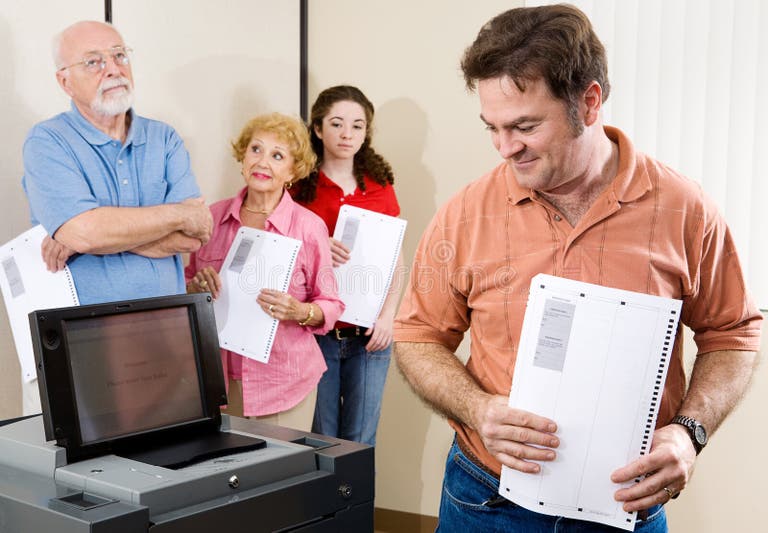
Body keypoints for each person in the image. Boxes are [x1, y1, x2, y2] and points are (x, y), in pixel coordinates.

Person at [393, 5, 762, 532]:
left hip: (627, 507)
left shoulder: (686, 209)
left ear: (588, 103)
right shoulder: (464, 213)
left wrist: (689, 433)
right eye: (492, 128)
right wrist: (476, 408)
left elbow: (733, 334)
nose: (504, 148)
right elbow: (417, 336)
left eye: (524, 125)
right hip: (485, 502)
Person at [21, 20, 212, 414]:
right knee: (83, 472)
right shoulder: (47, 141)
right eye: (93, 61)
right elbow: (87, 232)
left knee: (166, 466)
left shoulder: (164, 138)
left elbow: (195, 234)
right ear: (64, 81)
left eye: (119, 55)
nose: (112, 68)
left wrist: (89, 233)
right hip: (81, 342)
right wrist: (175, 214)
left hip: (165, 337)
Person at [186, 112, 344, 428]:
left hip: (284, 383)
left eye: (277, 156)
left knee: (283, 476)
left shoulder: (309, 227)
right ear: (242, 157)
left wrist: (299, 310)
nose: (262, 162)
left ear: (292, 171)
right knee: (225, 474)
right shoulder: (210, 219)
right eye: (255, 150)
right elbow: (186, 282)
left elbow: (331, 305)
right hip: (217, 382)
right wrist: (193, 288)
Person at [292, 85, 402, 446]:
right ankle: (322, 506)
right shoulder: (297, 187)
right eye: (337, 124)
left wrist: (387, 318)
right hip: (316, 332)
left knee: (361, 440)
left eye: (357, 126)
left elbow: (395, 258)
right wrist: (317, 245)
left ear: (366, 132)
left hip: (371, 336)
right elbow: (282, 257)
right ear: (318, 129)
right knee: (320, 438)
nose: (347, 134)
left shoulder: (380, 185)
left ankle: (356, 507)